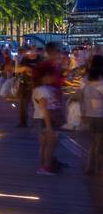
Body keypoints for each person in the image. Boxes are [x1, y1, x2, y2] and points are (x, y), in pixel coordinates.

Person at [32, 44, 66, 175]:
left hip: (44, 116)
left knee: (45, 144)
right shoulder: (42, 89)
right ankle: (45, 167)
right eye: (58, 51)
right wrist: (49, 126)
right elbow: (44, 108)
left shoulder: (42, 87)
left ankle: (44, 165)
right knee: (49, 143)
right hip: (45, 117)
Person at [81, 55, 103, 175]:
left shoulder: (84, 79)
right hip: (100, 114)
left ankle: (90, 166)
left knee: (92, 141)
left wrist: (82, 111)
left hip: (88, 114)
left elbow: (80, 96)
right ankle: (96, 167)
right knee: (98, 142)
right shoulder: (101, 79)